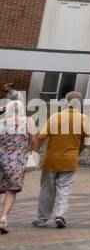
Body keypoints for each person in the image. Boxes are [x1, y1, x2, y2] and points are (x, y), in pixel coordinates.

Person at [32, 91, 90, 229]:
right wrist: (76, 154)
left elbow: (40, 137)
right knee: (64, 189)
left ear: (66, 102)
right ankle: (60, 215)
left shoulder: (55, 117)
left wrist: (35, 154)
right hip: (69, 160)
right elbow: (85, 141)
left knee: (47, 190)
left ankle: (41, 219)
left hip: (51, 160)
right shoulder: (83, 118)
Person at [0, 91, 38, 234]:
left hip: (1, 158)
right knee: (11, 190)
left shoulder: (2, 123)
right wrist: (33, 152)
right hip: (17, 161)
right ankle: (3, 218)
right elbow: (34, 140)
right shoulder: (28, 121)